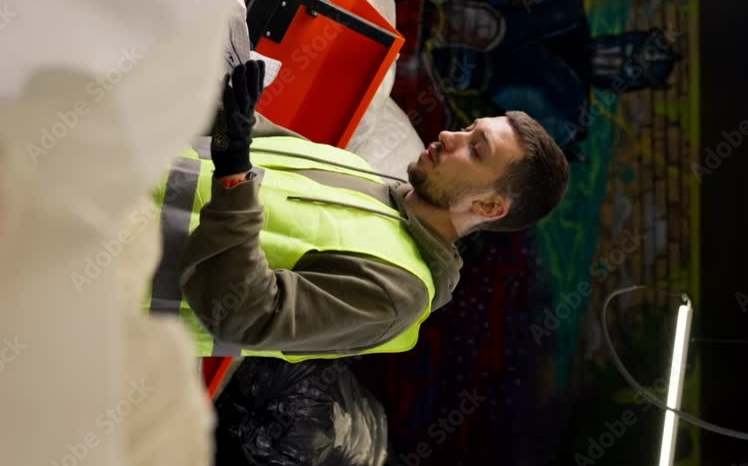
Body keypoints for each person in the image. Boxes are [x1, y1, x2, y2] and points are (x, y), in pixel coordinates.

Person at [147, 60, 569, 360]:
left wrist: (235, 177)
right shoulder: (362, 173)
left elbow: (246, 315)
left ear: (489, 206)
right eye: (467, 128)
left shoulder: (399, 292)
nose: (447, 134)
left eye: (476, 149)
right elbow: (238, 137)